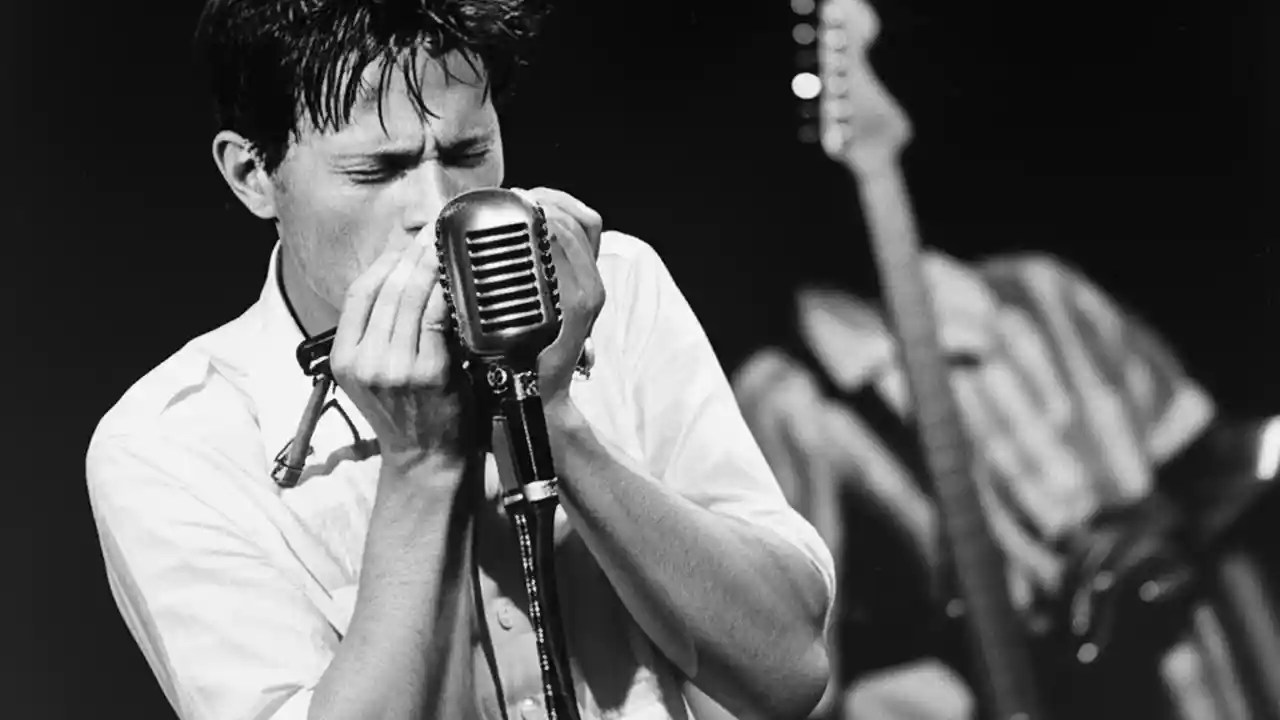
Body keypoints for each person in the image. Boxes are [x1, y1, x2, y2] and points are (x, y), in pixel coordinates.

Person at [84, 2, 835, 719]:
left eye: (468, 152)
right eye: (377, 170)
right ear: (252, 175)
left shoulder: (610, 288)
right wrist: (422, 466)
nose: (436, 206)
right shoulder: (170, 443)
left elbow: (788, 675)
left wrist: (554, 415)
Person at [733, 250, 1222, 719]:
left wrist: (1147, 536)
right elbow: (796, 677)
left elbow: (1215, 470)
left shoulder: (1040, 291)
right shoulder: (786, 400)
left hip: (1205, 680)